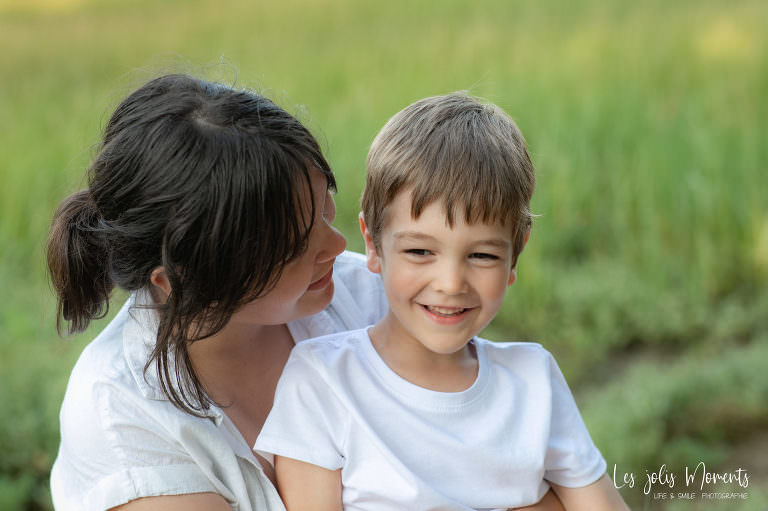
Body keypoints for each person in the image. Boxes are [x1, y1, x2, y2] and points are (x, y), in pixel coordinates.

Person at [47, 75, 567, 511]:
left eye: (324, 210)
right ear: (184, 281)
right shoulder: (122, 421)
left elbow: (520, 470)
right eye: (295, 244)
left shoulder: (363, 294)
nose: (338, 245)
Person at [255, 94, 631, 510]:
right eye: (419, 252)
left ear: (514, 256)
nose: (451, 284)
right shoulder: (322, 382)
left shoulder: (534, 380)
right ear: (372, 243)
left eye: (483, 255)